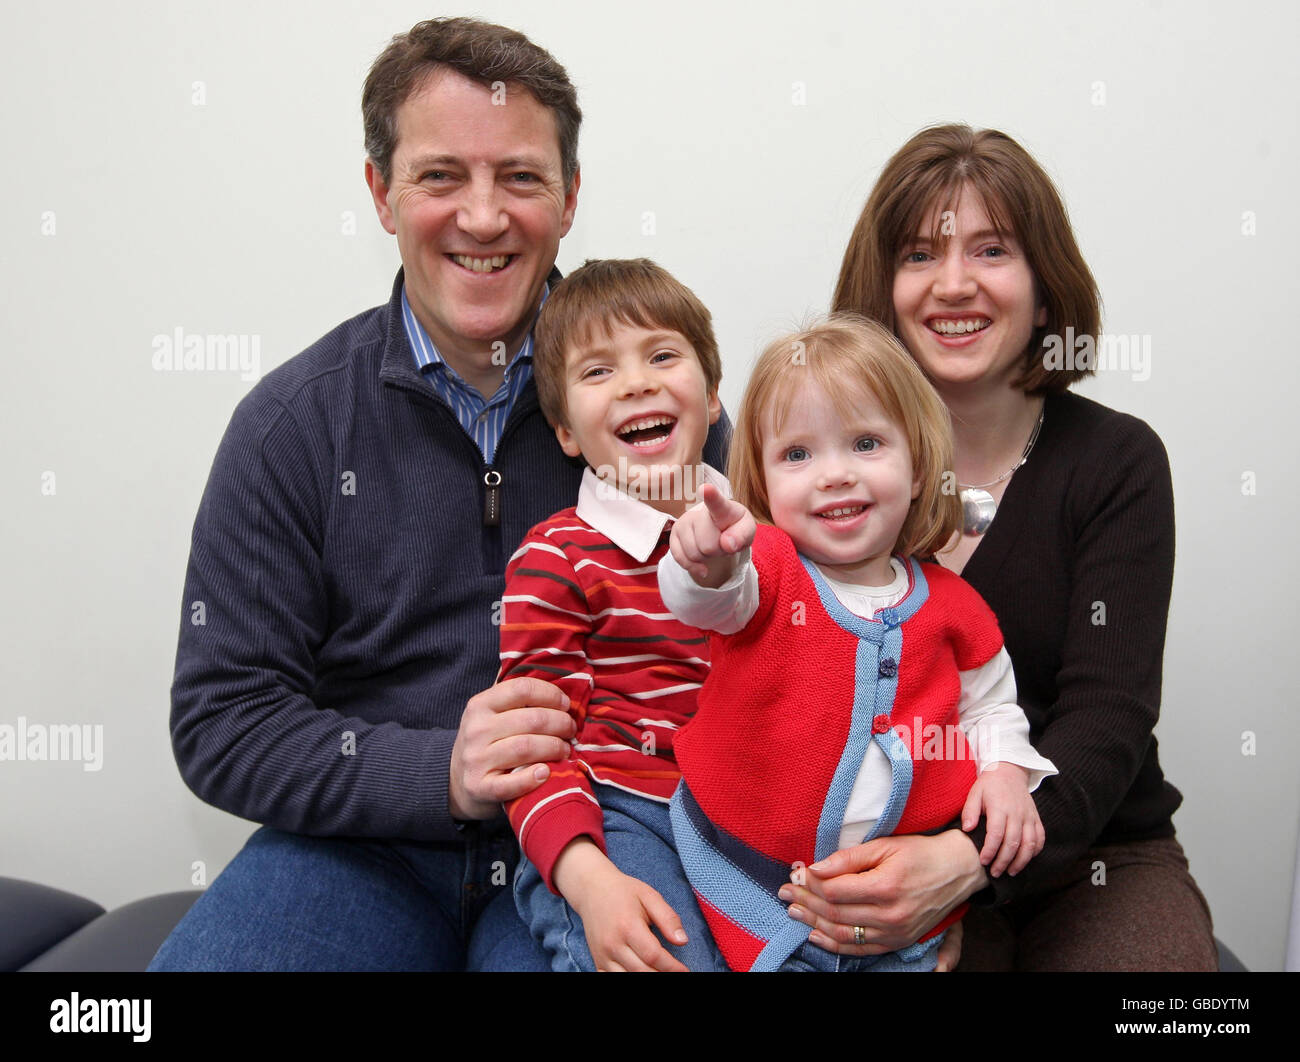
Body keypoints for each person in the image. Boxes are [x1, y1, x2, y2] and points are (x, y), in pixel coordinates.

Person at [149, 18, 728, 971]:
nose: (485, 216)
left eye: (522, 177)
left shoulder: (662, 412)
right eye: (441, 176)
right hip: (361, 852)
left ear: (572, 196)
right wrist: (438, 775)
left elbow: (775, 640)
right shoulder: (290, 426)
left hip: (622, 838)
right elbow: (222, 719)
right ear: (380, 192)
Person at [780, 123, 1216, 971]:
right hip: (882, 852)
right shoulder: (822, 467)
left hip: (1091, 855)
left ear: (1045, 290)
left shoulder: (1117, 462)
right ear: (882, 290)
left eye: (991, 250)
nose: (953, 284)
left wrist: (970, 864)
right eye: (918, 254)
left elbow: (1110, 716)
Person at [659, 316, 1057, 972]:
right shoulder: (767, 570)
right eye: (798, 454)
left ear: (921, 465)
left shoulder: (958, 609)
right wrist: (703, 561)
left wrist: (1007, 771)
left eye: (866, 443)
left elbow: (989, 709)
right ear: (759, 477)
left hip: (890, 912)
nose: (834, 475)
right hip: (744, 878)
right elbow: (710, 601)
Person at [500, 257, 731, 972]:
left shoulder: (770, 540)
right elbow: (533, 750)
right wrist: (589, 880)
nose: (636, 382)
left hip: (738, 822)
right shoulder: (556, 557)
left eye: (662, 355)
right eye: (598, 372)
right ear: (566, 433)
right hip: (614, 821)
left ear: (713, 395)